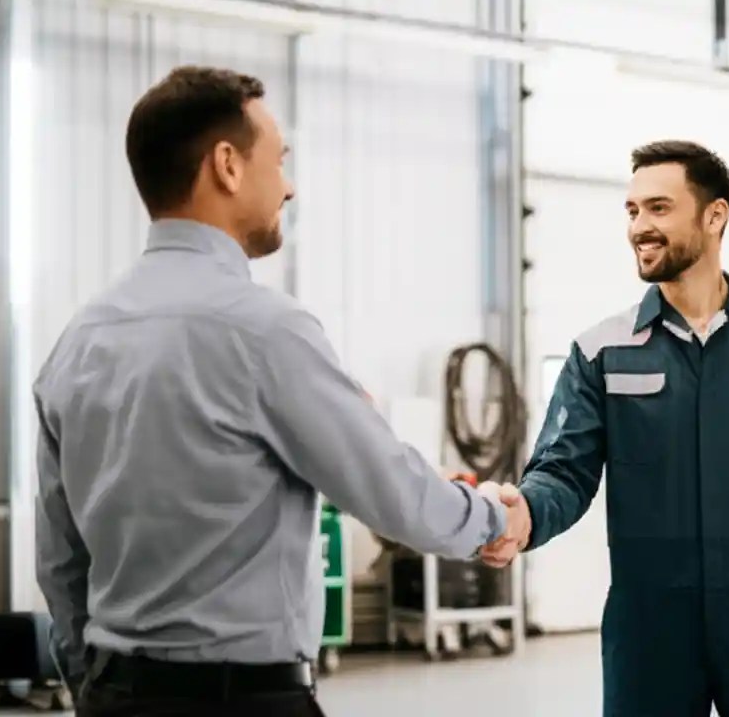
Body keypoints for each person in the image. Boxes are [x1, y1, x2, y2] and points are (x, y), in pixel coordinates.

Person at [32, 66, 515, 716]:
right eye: (279, 160)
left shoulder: (78, 341)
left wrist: (90, 684)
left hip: (115, 696)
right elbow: (395, 495)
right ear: (227, 165)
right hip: (244, 699)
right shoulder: (266, 332)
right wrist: (489, 515)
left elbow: (61, 560)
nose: (287, 186)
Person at [480, 140, 729, 717]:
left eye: (658, 208)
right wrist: (523, 515)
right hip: (650, 626)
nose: (640, 226)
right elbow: (562, 469)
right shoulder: (602, 352)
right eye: (632, 211)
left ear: (716, 216)